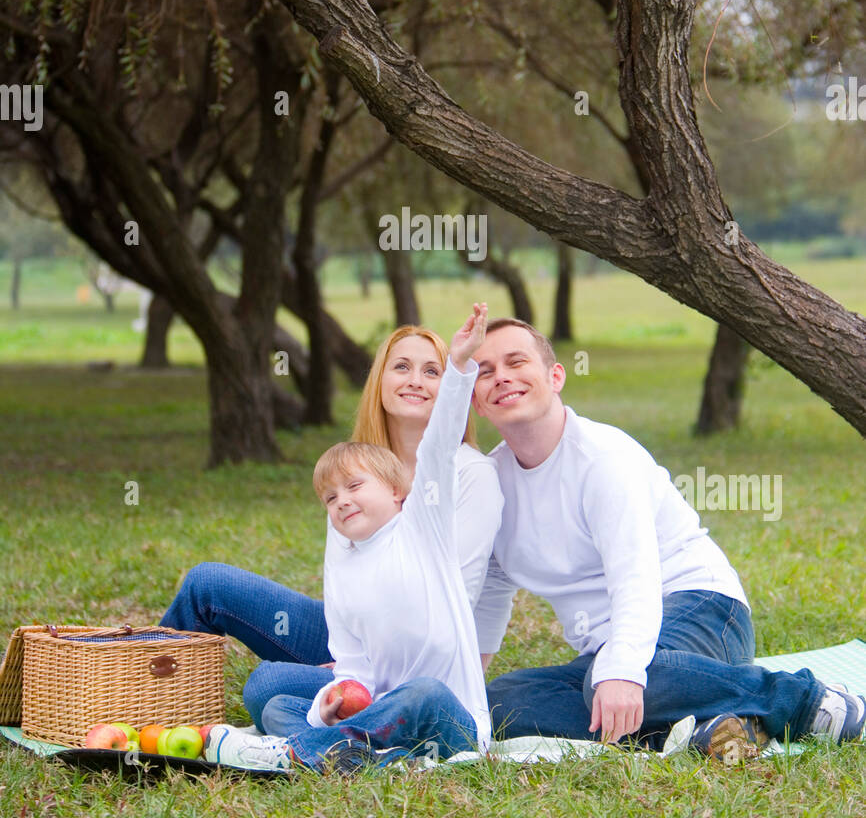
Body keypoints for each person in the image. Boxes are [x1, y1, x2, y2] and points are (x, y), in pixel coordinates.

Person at [470, 318, 866, 761]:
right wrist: (467, 683)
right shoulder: (492, 485)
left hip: (702, 610)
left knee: (618, 676)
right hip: (620, 648)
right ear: (477, 401)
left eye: (516, 361)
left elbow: (635, 578)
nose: (501, 376)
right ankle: (702, 728)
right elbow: (491, 594)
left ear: (555, 376)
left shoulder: (603, 459)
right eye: (484, 371)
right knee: (496, 703)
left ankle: (806, 701)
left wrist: (620, 670)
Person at [160, 323, 503, 728]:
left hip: (416, 653)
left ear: (448, 386)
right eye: (402, 367)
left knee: (266, 686)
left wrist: (357, 677)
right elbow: (339, 580)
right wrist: (346, 667)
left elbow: (454, 597)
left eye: (432, 371)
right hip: (354, 630)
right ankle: (139, 699)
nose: (415, 380)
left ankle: (361, 720)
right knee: (208, 583)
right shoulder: (351, 475)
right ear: (379, 381)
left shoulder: (470, 475)